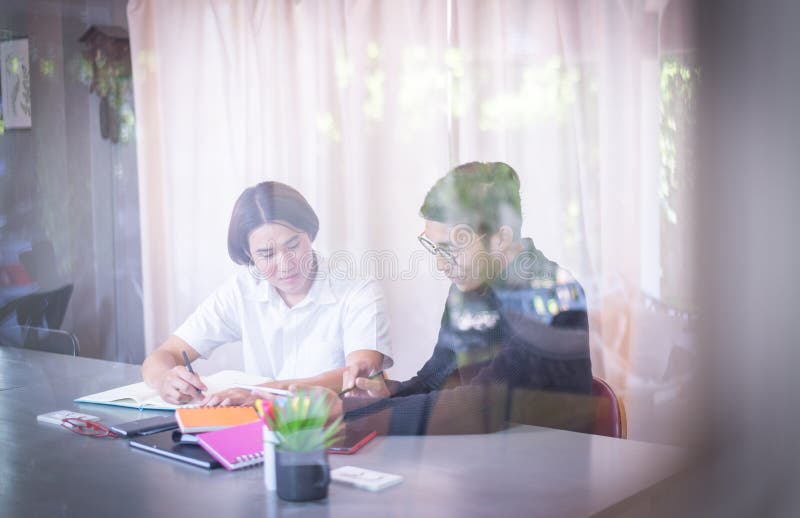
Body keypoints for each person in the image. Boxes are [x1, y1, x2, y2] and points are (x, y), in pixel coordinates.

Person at [278, 162, 594, 435]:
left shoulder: (551, 296)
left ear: (501, 238)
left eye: (451, 249)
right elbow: (435, 379)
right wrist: (383, 394)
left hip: (550, 470)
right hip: (489, 462)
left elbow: (481, 406)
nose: (441, 264)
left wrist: (349, 415)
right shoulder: (468, 287)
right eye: (435, 248)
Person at [141, 181, 392, 405]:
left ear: (310, 234)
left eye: (293, 245)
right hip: (261, 429)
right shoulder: (241, 291)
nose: (285, 264)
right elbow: (164, 355)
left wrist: (258, 393)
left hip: (336, 429)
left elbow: (361, 373)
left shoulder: (358, 290)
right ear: (249, 254)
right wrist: (166, 379)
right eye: (266, 254)